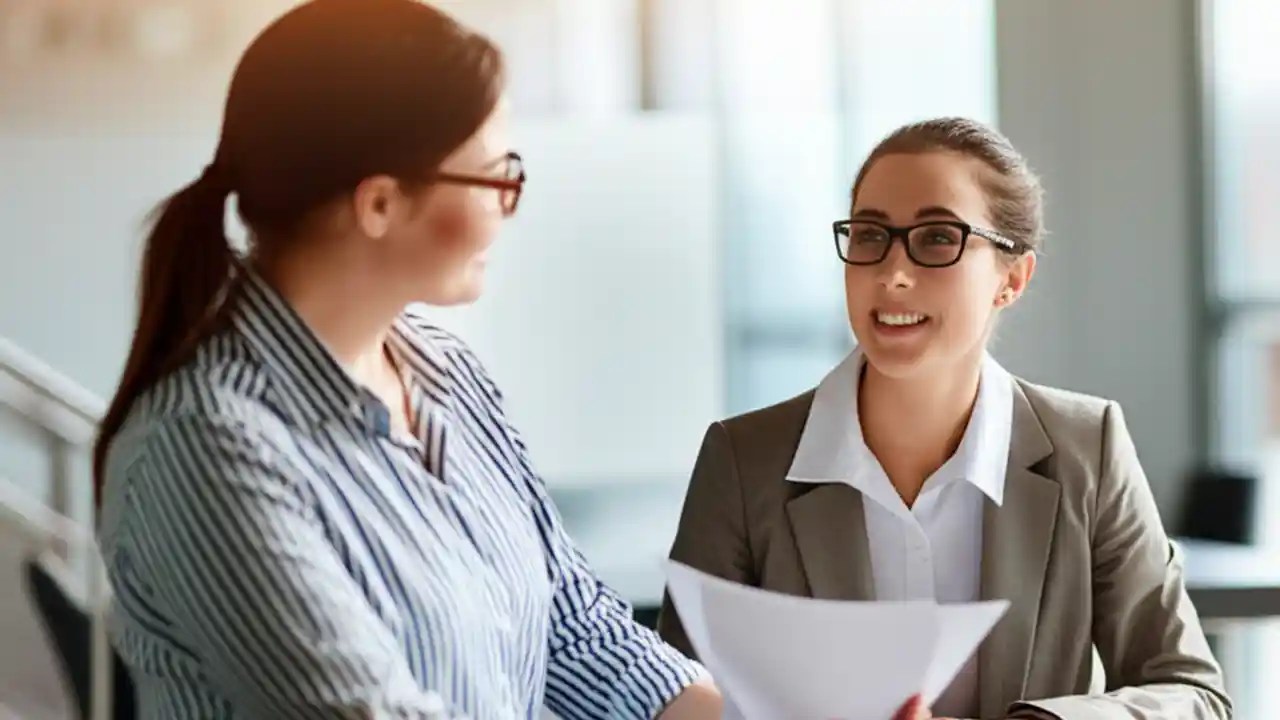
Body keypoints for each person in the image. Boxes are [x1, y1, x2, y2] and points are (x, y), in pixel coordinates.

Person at [91, 1, 729, 717]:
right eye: (495, 178)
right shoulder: (205, 445)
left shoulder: (448, 375)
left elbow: (578, 633)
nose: (508, 207)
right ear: (380, 205)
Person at [657, 118, 1232, 720]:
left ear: (1012, 279)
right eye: (870, 235)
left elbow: (1192, 694)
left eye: (937, 238)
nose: (892, 274)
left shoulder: (1088, 448)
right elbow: (673, 698)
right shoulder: (743, 460)